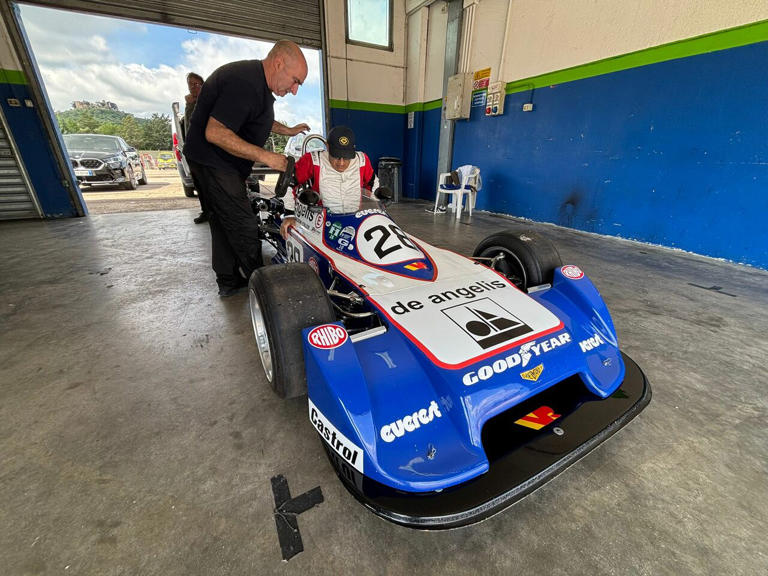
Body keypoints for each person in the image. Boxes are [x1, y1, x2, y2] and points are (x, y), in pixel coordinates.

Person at [183, 40, 310, 297]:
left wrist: (288, 130)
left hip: (215, 163)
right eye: (296, 81)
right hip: (214, 163)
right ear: (278, 64)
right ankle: (264, 291)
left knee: (222, 221)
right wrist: (269, 157)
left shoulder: (257, 84)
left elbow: (258, 117)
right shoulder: (244, 83)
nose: (295, 90)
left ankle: (228, 281)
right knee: (244, 227)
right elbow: (215, 132)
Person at [280, 125, 379, 239]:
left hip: (356, 221)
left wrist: (374, 205)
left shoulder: (362, 160)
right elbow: (287, 182)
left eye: (346, 157)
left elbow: (373, 182)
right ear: (327, 146)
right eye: (336, 156)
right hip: (321, 225)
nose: (341, 163)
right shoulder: (313, 160)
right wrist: (290, 213)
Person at [182, 72, 210, 224]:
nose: (193, 87)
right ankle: (206, 211)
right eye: (190, 84)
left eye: (197, 84)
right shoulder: (190, 103)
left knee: (210, 184)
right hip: (192, 150)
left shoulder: (206, 102)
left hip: (206, 150)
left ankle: (215, 212)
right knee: (199, 183)